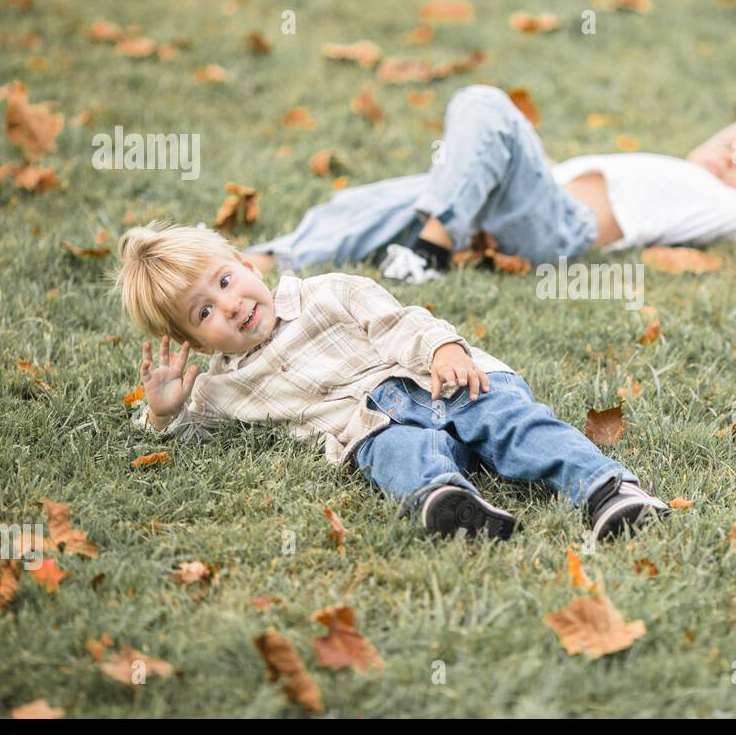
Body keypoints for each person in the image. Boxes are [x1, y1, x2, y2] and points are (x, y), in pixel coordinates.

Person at [112, 222, 668, 542]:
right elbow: (183, 431)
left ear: (247, 264)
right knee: (391, 452)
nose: (230, 306)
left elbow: (401, 321)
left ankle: (609, 490)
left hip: (440, 381)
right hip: (373, 425)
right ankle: (449, 504)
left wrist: (444, 347)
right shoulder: (221, 388)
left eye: (226, 281)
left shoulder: (328, 291)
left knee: (511, 423)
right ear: (195, 343)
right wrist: (163, 411)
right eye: (203, 312)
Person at [243, 84, 736, 283]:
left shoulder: (728, 208)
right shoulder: (677, 168)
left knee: (484, 102)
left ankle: (430, 248)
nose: (730, 163)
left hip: (560, 227)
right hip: (513, 207)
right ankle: (275, 258)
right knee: (384, 197)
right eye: (730, 146)